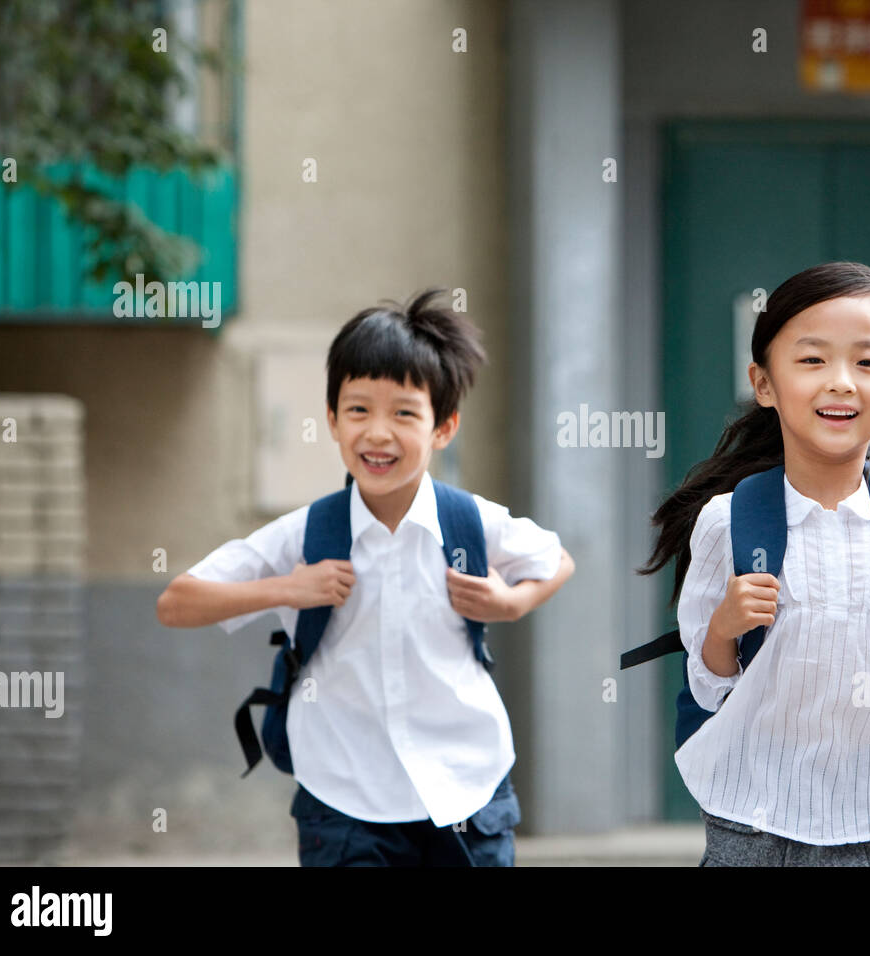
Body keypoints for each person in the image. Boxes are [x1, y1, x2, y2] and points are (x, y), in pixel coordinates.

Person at [156, 290, 575, 866]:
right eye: (358, 410)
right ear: (331, 420)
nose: (377, 433)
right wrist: (288, 589)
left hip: (465, 791)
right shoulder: (304, 534)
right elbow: (176, 603)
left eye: (404, 413)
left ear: (443, 427)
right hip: (343, 801)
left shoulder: (470, 520)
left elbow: (556, 561)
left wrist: (513, 602)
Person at [639, 261, 870, 866]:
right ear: (764, 384)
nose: (841, 382)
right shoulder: (727, 521)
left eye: (866, 363)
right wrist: (722, 630)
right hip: (756, 820)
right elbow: (710, 680)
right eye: (812, 360)